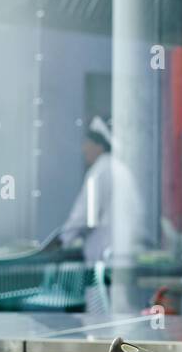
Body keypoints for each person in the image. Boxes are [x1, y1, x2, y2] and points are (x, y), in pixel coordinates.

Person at [55, 117, 148, 307]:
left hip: (105, 260)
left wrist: (63, 239)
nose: (84, 149)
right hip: (121, 257)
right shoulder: (121, 169)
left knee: (101, 316)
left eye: (87, 144)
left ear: (99, 146)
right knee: (122, 310)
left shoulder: (100, 171)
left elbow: (84, 216)